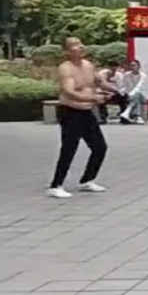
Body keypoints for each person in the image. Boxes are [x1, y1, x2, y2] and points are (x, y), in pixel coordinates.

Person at [48, 38, 108, 199]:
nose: (81, 47)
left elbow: (98, 82)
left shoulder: (88, 65)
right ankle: (55, 185)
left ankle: (87, 180)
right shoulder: (65, 69)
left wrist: (114, 90)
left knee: (100, 147)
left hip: (86, 112)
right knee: (69, 149)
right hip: (70, 112)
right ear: (67, 51)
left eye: (81, 44)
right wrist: (92, 100)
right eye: (75, 45)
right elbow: (69, 92)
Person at [118, 60, 148, 124]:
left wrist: (131, 94)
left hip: (141, 94)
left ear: (138, 66)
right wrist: (123, 92)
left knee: (137, 94)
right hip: (129, 94)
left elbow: (139, 87)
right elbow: (123, 85)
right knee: (135, 98)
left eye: (134, 65)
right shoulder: (126, 74)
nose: (132, 67)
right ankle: (137, 116)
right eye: (131, 65)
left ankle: (128, 112)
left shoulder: (143, 76)